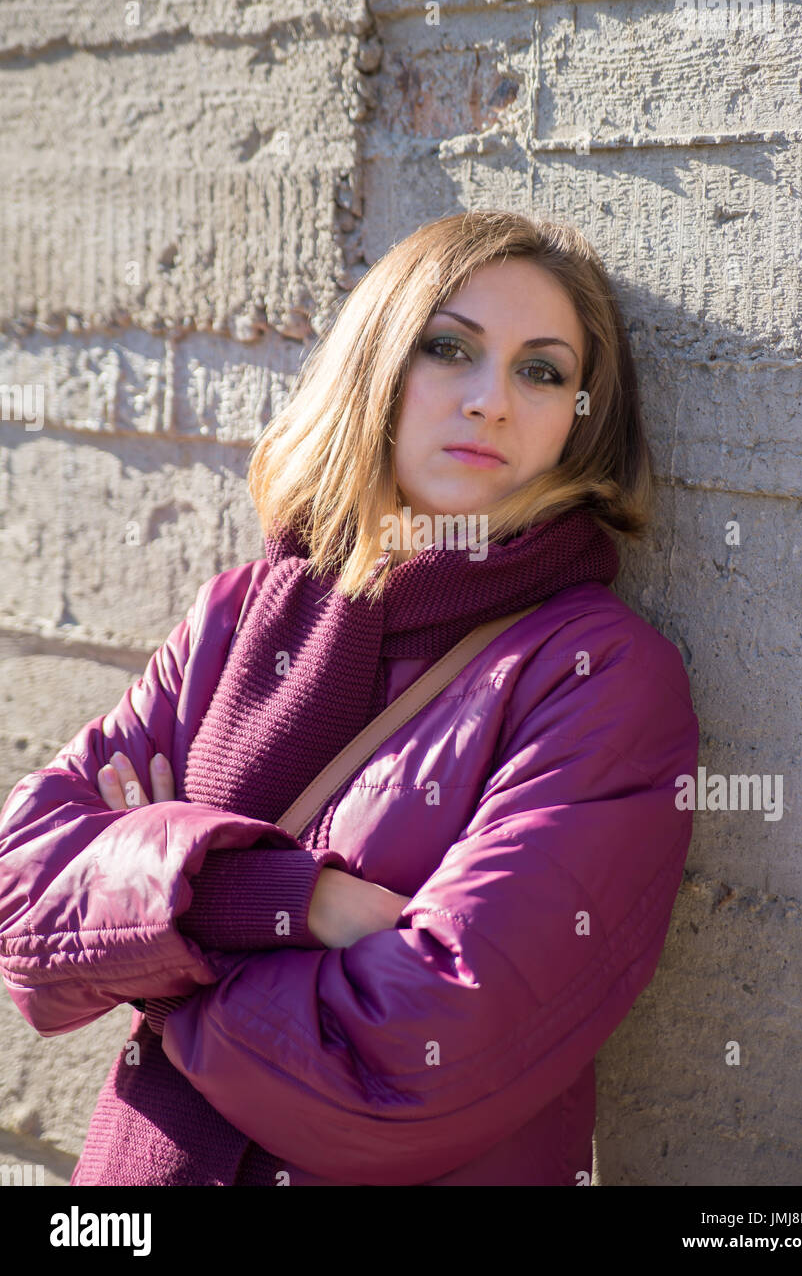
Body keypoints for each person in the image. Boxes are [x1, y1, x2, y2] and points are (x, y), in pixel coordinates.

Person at [0, 209, 699, 1186]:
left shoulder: (599, 677)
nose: (491, 399)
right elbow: (25, 908)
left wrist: (147, 944)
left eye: (542, 370)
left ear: (584, 418)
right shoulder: (238, 617)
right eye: (448, 348)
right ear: (376, 363)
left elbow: (413, 1057)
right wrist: (295, 901)